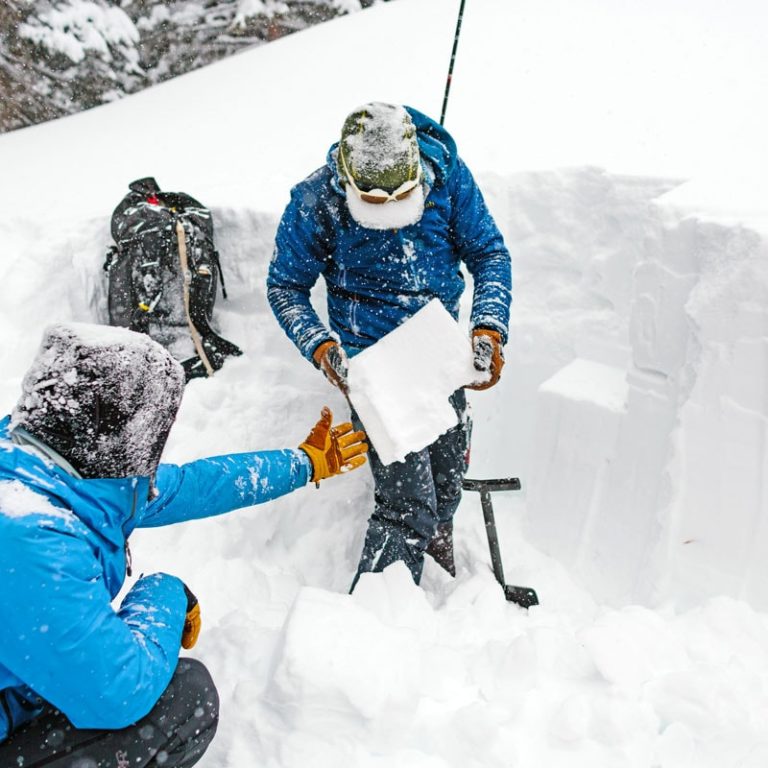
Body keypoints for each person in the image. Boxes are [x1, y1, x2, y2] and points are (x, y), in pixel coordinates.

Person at [0, 322, 367, 767]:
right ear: (119, 436)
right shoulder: (29, 538)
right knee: (185, 701)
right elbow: (119, 691)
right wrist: (165, 593)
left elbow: (193, 486)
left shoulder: (47, 469)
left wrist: (304, 463)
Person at [267, 102, 511, 589]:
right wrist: (319, 345)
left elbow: (489, 254)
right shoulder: (315, 200)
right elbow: (285, 287)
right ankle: (376, 614)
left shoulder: (448, 178)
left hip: (437, 355)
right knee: (406, 503)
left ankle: (437, 543)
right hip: (372, 366)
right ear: (347, 178)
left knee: (446, 482)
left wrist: (488, 327)